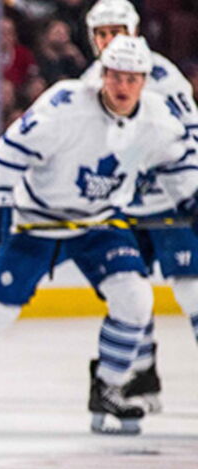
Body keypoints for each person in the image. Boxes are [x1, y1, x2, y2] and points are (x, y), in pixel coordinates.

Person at [0, 36, 198, 435]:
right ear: (103, 76)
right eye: (115, 77)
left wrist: (190, 201)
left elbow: (178, 164)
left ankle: (108, 386)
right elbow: (12, 147)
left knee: (135, 297)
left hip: (100, 224)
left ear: (144, 81)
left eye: (132, 78)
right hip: (37, 219)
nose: (123, 86)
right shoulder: (66, 106)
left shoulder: (158, 120)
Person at [76, 0, 198, 414]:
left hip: (171, 202)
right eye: (102, 34)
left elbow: (192, 136)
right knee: (129, 294)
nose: (111, 40)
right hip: (123, 206)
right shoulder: (91, 81)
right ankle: (142, 375)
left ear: (136, 30)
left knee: (193, 291)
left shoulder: (162, 75)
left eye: (117, 31)